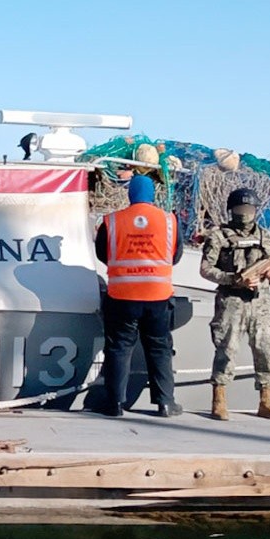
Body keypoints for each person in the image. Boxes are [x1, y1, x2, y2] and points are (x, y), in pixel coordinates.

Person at [94, 175, 183, 417]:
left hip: (122, 295)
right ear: (152, 195)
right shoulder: (169, 221)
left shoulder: (112, 221)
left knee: (119, 348)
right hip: (158, 296)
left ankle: (114, 404)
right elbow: (175, 256)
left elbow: (103, 253)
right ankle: (165, 403)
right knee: (159, 348)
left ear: (130, 194)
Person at [200, 187, 270, 420]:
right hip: (231, 301)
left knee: (265, 349)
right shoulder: (218, 237)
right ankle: (219, 401)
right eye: (240, 209)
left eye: (248, 209)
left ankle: (266, 401)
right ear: (231, 210)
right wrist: (234, 279)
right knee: (226, 349)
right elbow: (206, 269)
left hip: (261, 303)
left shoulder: (268, 237)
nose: (244, 213)